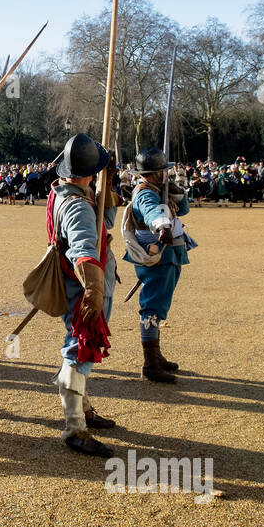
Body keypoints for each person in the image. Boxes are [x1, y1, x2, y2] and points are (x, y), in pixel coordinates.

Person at [49, 134, 119, 457]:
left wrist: (106, 190)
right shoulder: (76, 205)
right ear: (88, 172)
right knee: (78, 349)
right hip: (82, 289)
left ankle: (83, 408)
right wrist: (93, 288)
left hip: (79, 286)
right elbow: (84, 251)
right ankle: (75, 426)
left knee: (83, 349)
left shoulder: (71, 193)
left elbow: (100, 226)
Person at [124, 147, 194, 384]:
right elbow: (151, 211)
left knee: (160, 304)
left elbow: (183, 209)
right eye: (164, 170)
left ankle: (156, 355)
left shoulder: (159, 189)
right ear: (155, 173)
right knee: (153, 306)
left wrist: (173, 189)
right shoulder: (145, 192)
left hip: (168, 254)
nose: (167, 173)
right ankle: (150, 363)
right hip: (158, 254)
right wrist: (162, 224)